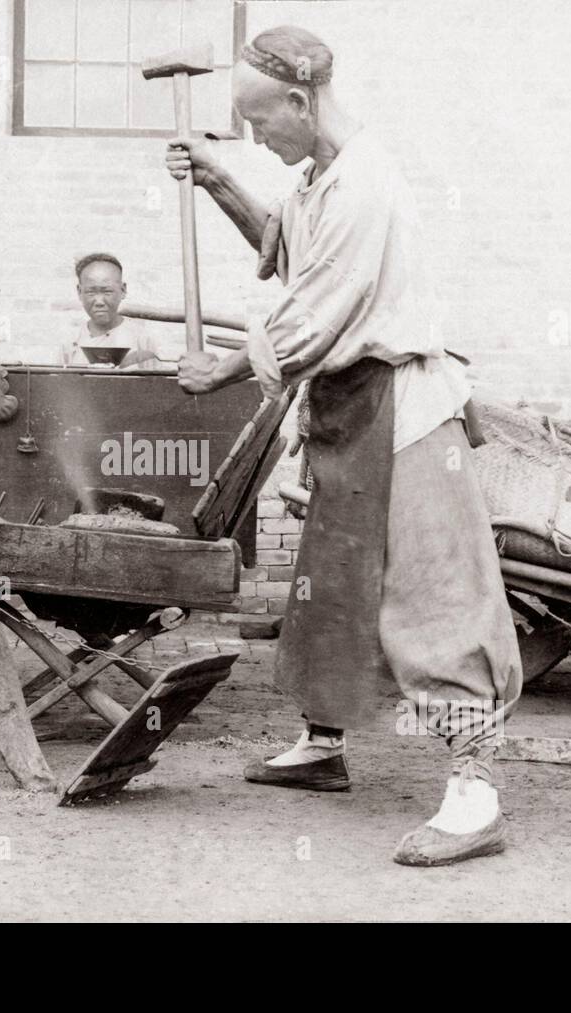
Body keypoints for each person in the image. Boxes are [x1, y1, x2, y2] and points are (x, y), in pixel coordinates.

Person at [166, 26, 522, 866]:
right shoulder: (323, 179)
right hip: (347, 410)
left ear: (300, 100)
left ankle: (475, 792)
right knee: (328, 585)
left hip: (406, 409)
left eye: (259, 123)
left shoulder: (365, 182)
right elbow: (283, 244)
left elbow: (314, 308)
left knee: (436, 595)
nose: (257, 139)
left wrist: (218, 370)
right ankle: (323, 744)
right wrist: (217, 179)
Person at [60, 253, 162, 369]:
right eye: (91, 292)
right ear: (79, 291)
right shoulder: (70, 343)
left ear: (123, 290)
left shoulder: (141, 339)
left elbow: (156, 384)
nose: (99, 302)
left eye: (107, 291)